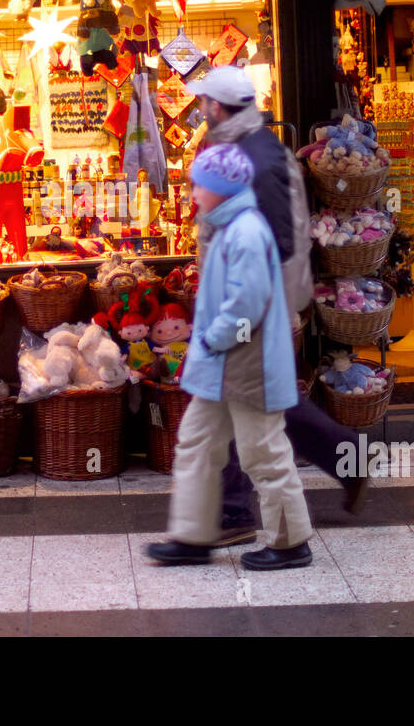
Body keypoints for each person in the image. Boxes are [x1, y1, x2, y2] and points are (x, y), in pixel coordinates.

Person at [193, 66, 366, 545]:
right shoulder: (247, 151)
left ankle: (234, 514)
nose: (202, 113)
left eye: (208, 105)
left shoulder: (258, 157)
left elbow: (277, 240)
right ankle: (345, 456)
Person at [144, 145, 313, 570]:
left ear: (220, 187)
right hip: (221, 364)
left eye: (199, 184)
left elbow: (248, 305)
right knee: (198, 444)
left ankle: (291, 542)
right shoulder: (225, 226)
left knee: (262, 450)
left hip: (247, 361)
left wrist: (214, 338)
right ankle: (193, 535)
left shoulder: (246, 231)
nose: (192, 191)